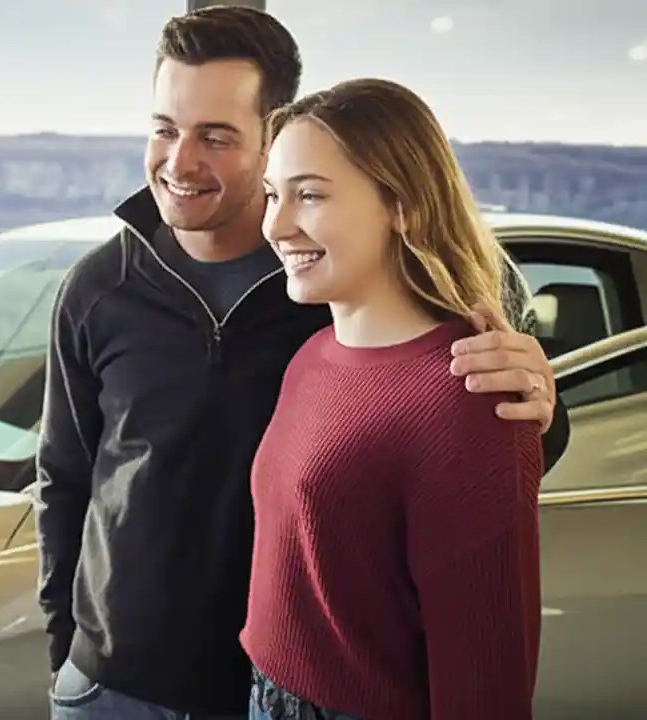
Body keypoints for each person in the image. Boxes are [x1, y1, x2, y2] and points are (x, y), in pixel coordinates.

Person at [35, 7, 568, 719]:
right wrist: (67, 655)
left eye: (216, 137)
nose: (180, 161)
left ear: (272, 135)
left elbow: (479, 449)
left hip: (286, 687)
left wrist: (540, 398)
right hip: (115, 689)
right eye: (164, 128)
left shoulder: (341, 280)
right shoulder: (99, 289)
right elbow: (64, 481)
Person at [242, 78, 544, 720]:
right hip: (265, 694)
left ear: (403, 204)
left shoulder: (472, 399)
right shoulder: (311, 357)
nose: (274, 224)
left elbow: (487, 685)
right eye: (273, 194)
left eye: (310, 195)